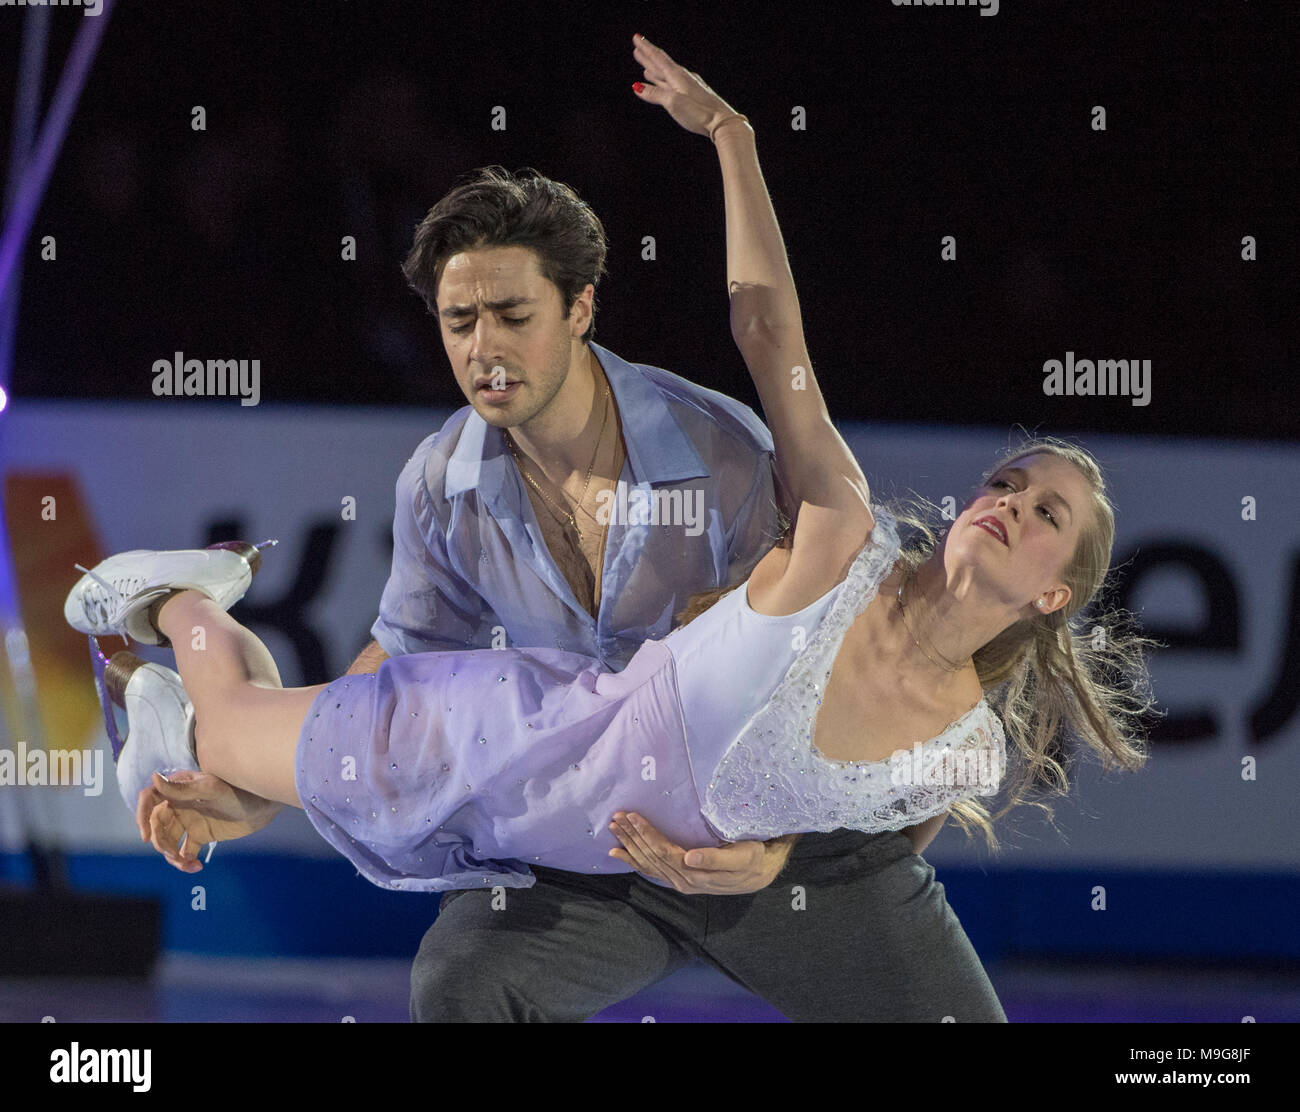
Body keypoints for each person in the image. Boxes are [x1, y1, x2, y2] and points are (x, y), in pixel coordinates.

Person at [66, 35, 1154, 1022]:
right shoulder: (468, 482)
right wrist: (282, 777)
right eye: (458, 321)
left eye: (512, 314)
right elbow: (396, 670)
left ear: (582, 308)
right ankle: (181, 622)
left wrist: (769, 851)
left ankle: (181, 651)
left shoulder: (734, 471)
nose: (483, 346)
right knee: (455, 972)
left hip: (761, 859)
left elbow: (882, 809)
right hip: (552, 785)